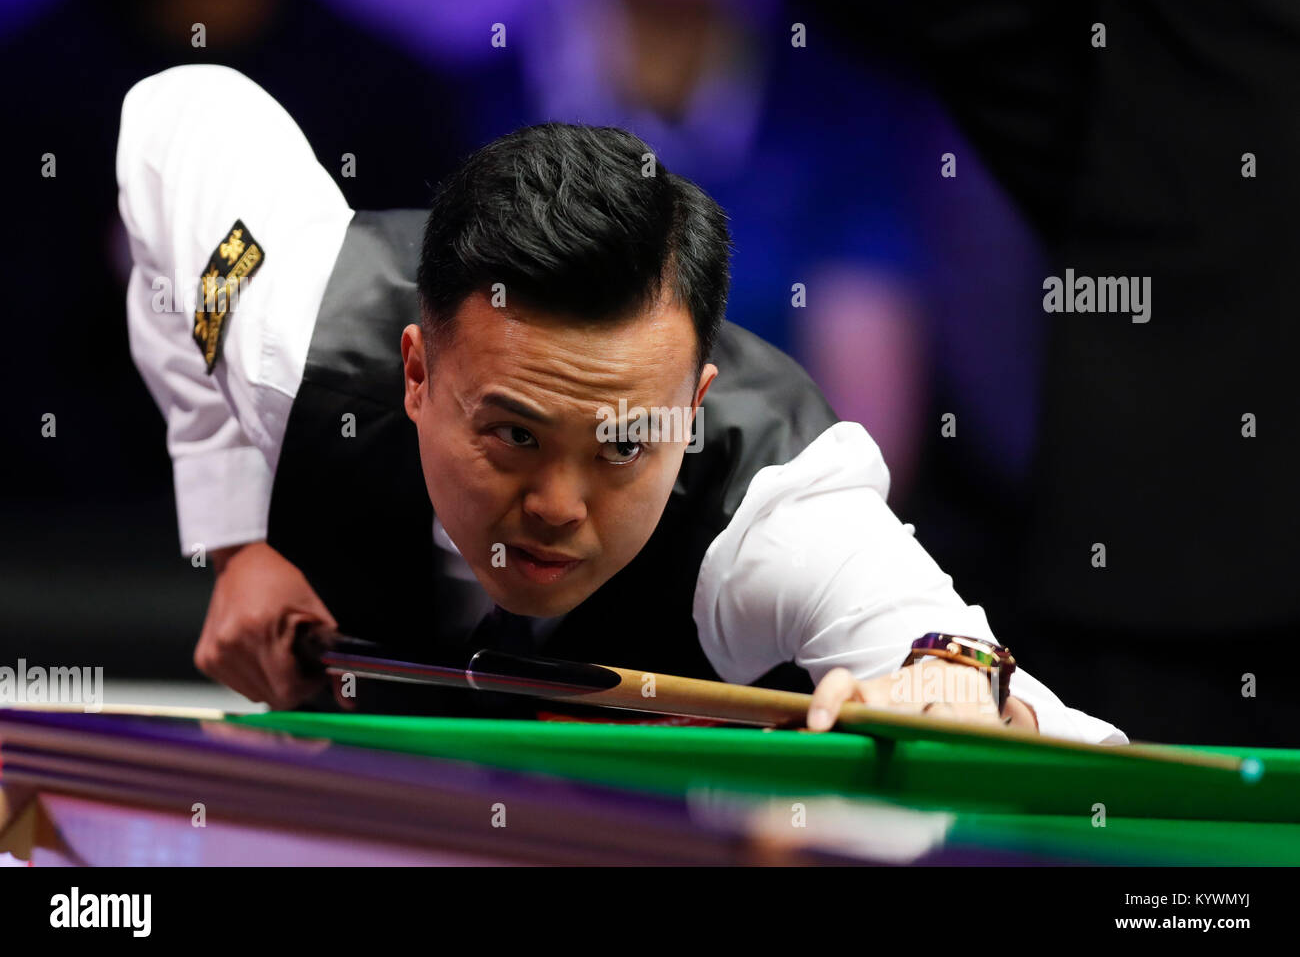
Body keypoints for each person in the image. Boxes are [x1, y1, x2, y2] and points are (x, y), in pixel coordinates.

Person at [118, 63, 1124, 743]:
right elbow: (178, 108)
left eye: (623, 444)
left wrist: (960, 688)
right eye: (512, 433)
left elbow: (982, 681)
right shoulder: (287, 337)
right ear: (415, 372)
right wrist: (237, 533)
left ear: (693, 409)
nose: (558, 504)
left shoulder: (774, 510)